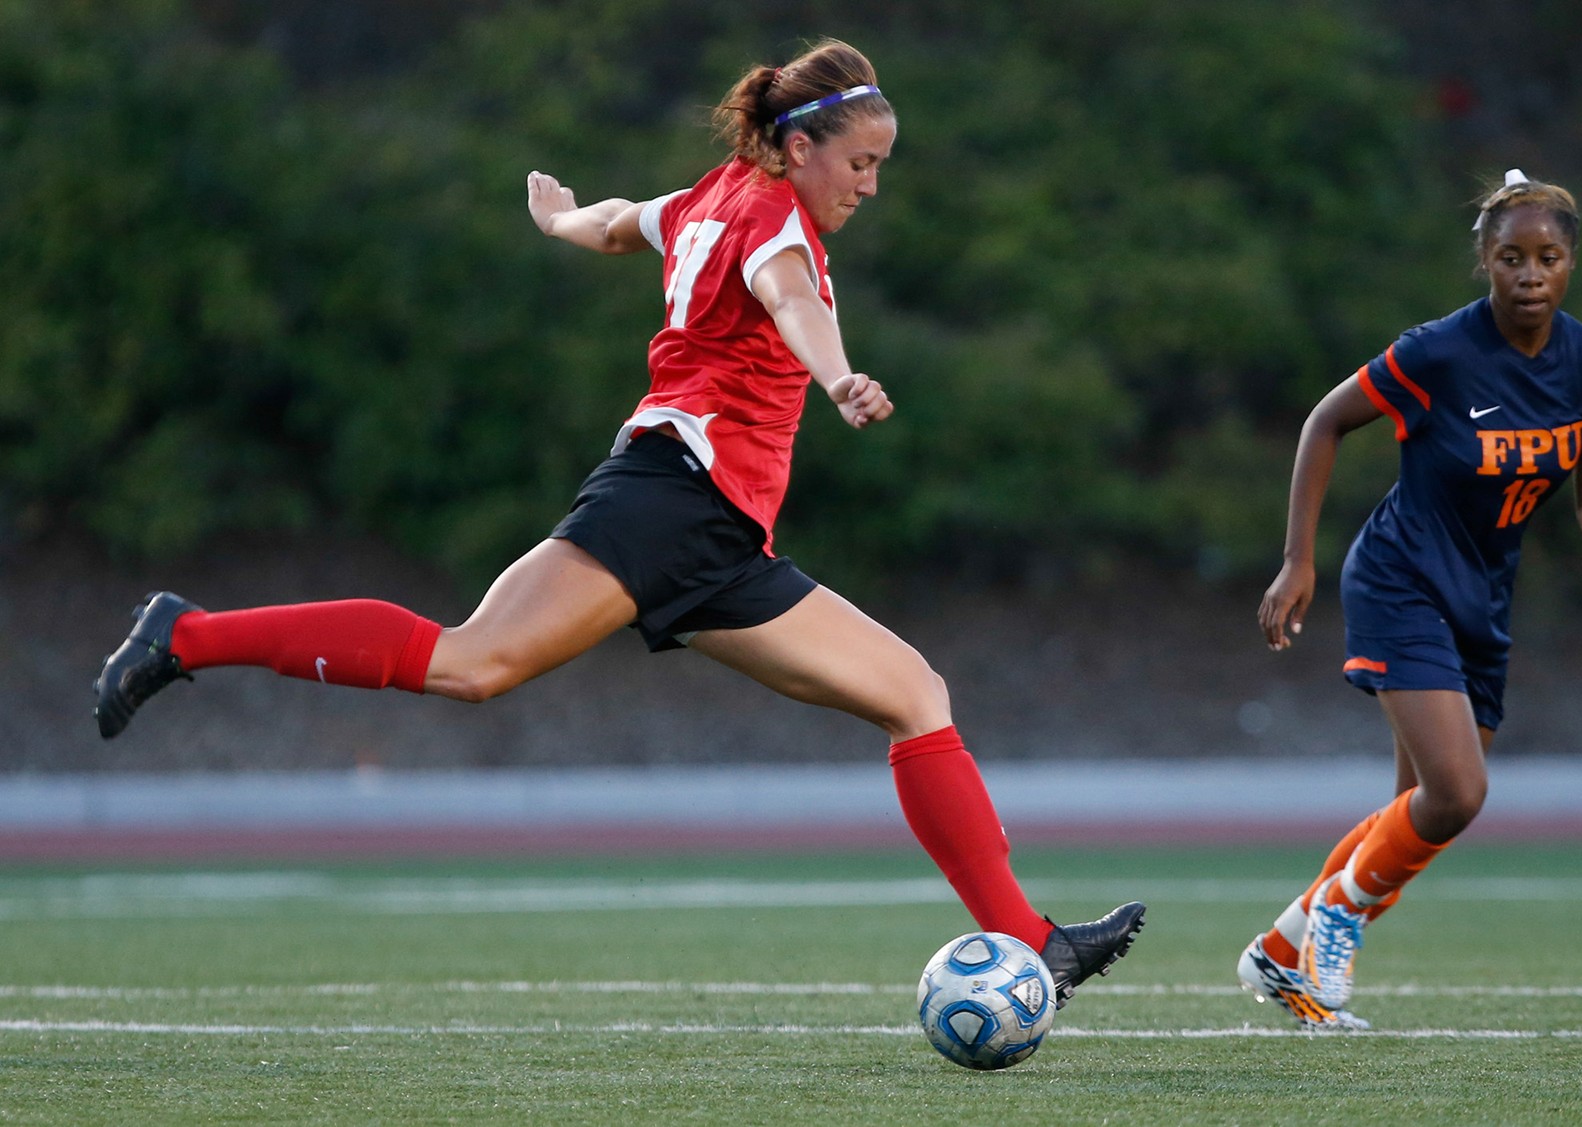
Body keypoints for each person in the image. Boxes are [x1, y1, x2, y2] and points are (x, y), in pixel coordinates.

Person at [93, 39, 1143, 1003]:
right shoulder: (771, 223)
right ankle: (184, 635)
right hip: (670, 496)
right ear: (796, 145)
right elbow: (790, 300)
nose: (870, 186)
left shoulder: (706, 198)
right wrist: (838, 377)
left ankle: (1028, 937)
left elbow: (615, 223)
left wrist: (559, 220)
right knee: (473, 663)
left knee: (915, 693)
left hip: (719, 533)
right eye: (859, 163)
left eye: (880, 165)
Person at [1241, 169, 1582, 1029]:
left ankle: (1281, 952)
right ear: (1485, 260)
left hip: (1485, 598)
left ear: (1570, 263)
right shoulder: (1440, 351)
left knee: (1422, 815)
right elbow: (1323, 421)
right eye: (1511, 256)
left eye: (1547, 257)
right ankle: (1336, 918)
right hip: (1401, 581)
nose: (1529, 274)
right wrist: (1299, 560)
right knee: (1457, 793)